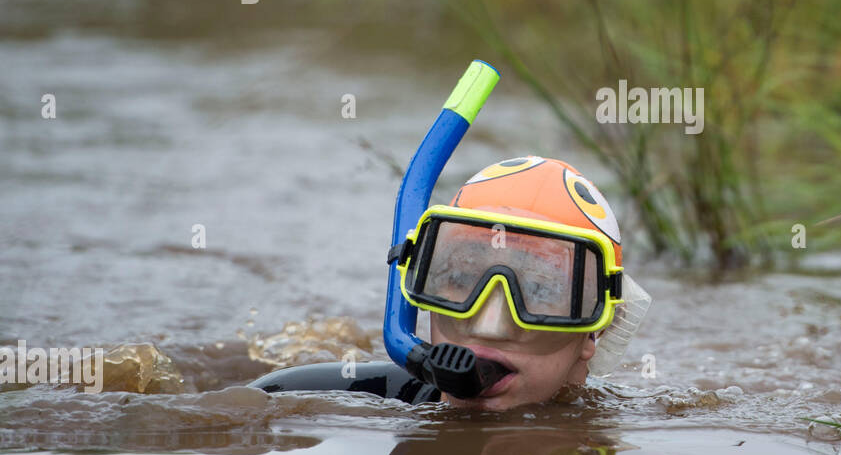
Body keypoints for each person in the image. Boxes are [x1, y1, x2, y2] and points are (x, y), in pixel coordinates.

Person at [249, 156, 648, 411]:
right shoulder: (321, 397)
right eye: (459, 278)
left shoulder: (637, 427)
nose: (488, 323)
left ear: (596, 329)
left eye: (540, 289)